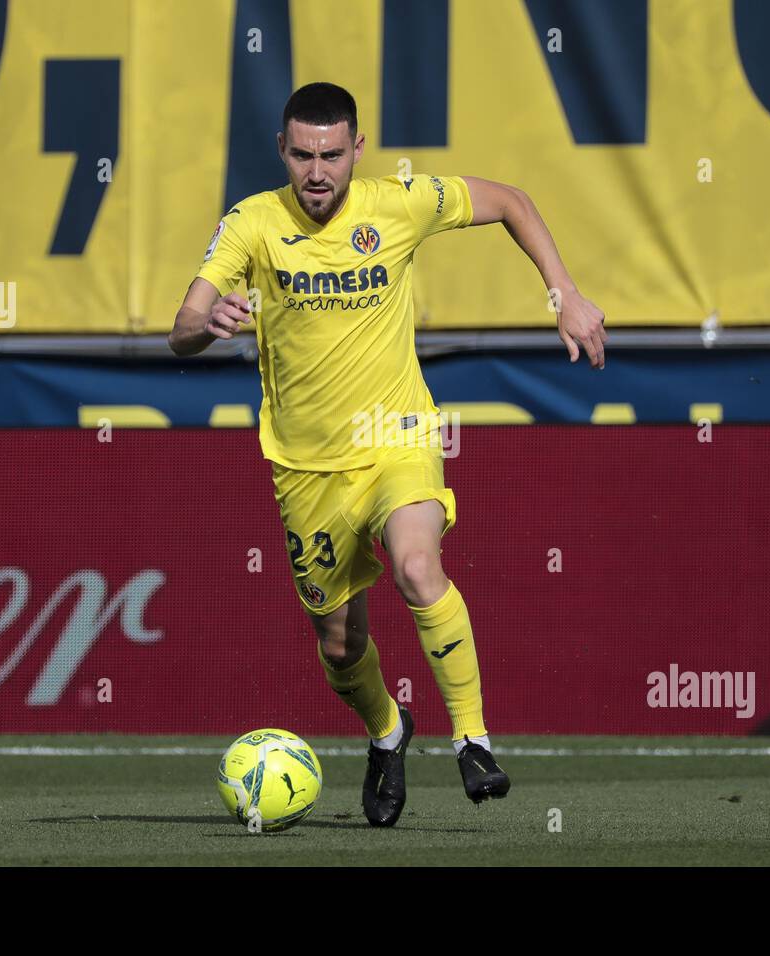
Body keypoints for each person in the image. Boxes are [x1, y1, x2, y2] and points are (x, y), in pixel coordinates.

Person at [169, 82, 606, 827]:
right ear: (282, 151)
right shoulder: (252, 223)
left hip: (395, 436)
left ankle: (472, 738)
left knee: (415, 566)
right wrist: (208, 321)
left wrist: (563, 291)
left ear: (358, 150)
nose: (317, 172)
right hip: (305, 469)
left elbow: (513, 202)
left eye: (332, 155)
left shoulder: (400, 203)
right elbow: (180, 326)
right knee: (341, 647)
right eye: (303, 155)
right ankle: (388, 732)